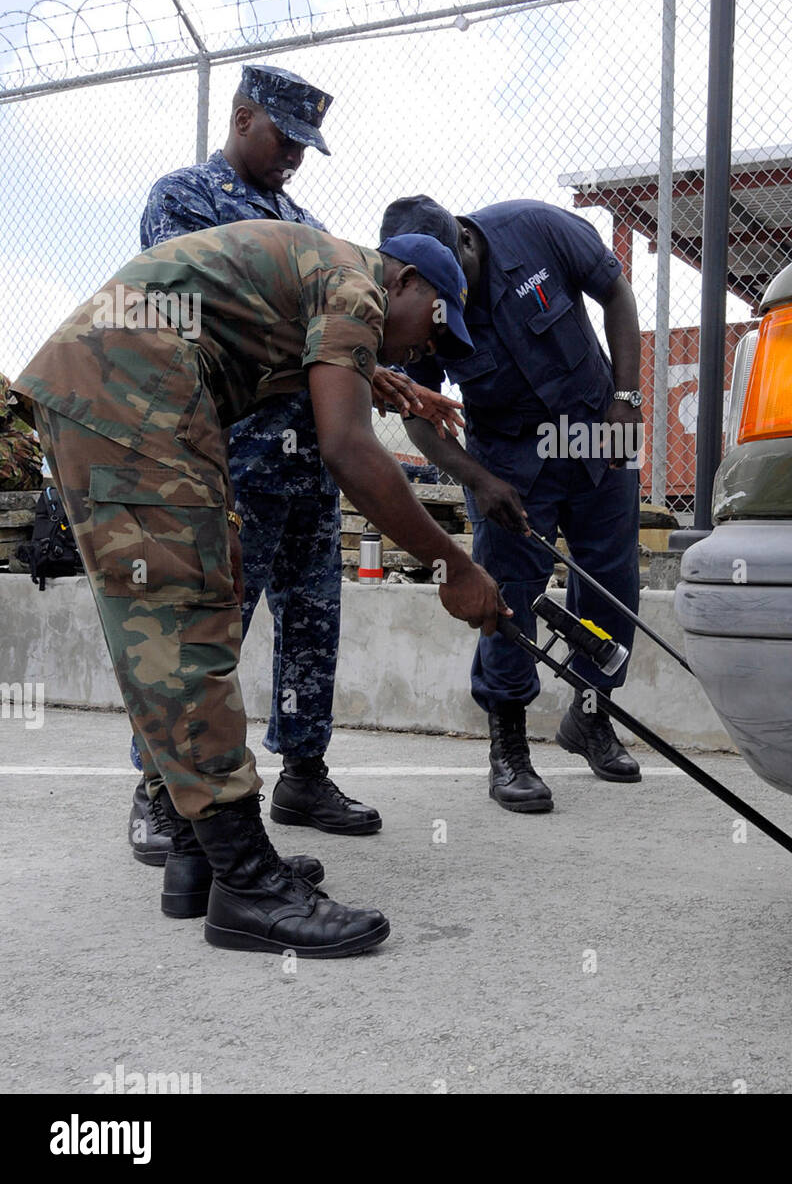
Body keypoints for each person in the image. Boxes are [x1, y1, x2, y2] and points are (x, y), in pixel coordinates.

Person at [11, 219, 505, 956]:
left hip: (114, 383)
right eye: (434, 325)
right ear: (405, 280)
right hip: (132, 390)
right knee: (181, 620)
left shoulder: (332, 279)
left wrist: (383, 376)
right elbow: (347, 447)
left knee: (177, 611)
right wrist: (455, 566)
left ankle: (196, 857)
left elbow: (297, 345)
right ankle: (246, 885)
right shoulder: (357, 287)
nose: (428, 345)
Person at [129, 63, 460, 866]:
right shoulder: (184, 199)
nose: (295, 159)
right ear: (242, 118)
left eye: (307, 147)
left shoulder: (303, 220)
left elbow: (324, 339)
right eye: (286, 139)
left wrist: (380, 376)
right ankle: (159, 794)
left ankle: (303, 774)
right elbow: (194, 321)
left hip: (309, 462)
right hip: (233, 459)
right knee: (208, 628)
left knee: (313, 627)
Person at [380, 195, 645, 814]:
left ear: (466, 246)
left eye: (460, 287)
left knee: (610, 584)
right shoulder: (408, 299)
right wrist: (479, 479)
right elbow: (419, 419)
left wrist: (627, 397)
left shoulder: (538, 229)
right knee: (506, 598)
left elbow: (618, 296)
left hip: (598, 434)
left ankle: (589, 715)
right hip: (508, 465)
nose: (454, 307)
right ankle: (509, 748)